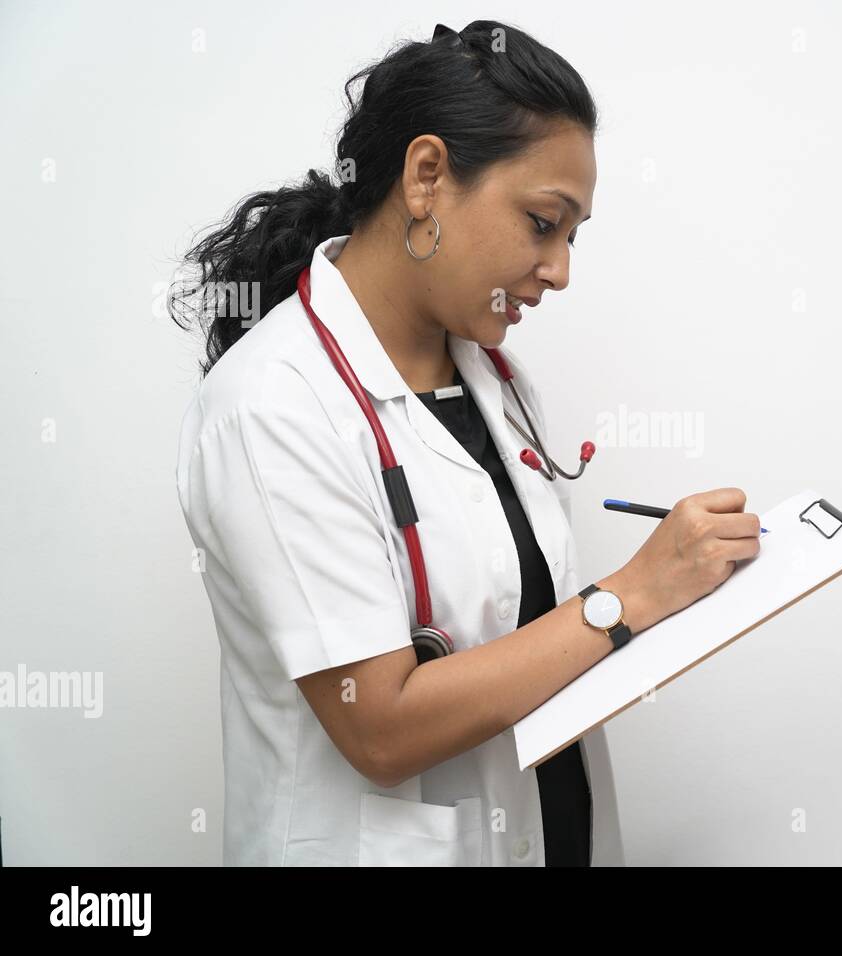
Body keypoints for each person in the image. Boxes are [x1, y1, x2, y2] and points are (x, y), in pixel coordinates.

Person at [170, 19, 762, 866]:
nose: (559, 270)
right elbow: (380, 727)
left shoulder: (500, 384)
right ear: (427, 177)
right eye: (542, 222)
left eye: (572, 236)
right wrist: (630, 595)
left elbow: (524, 643)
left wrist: (676, 601)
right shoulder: (271, 407)